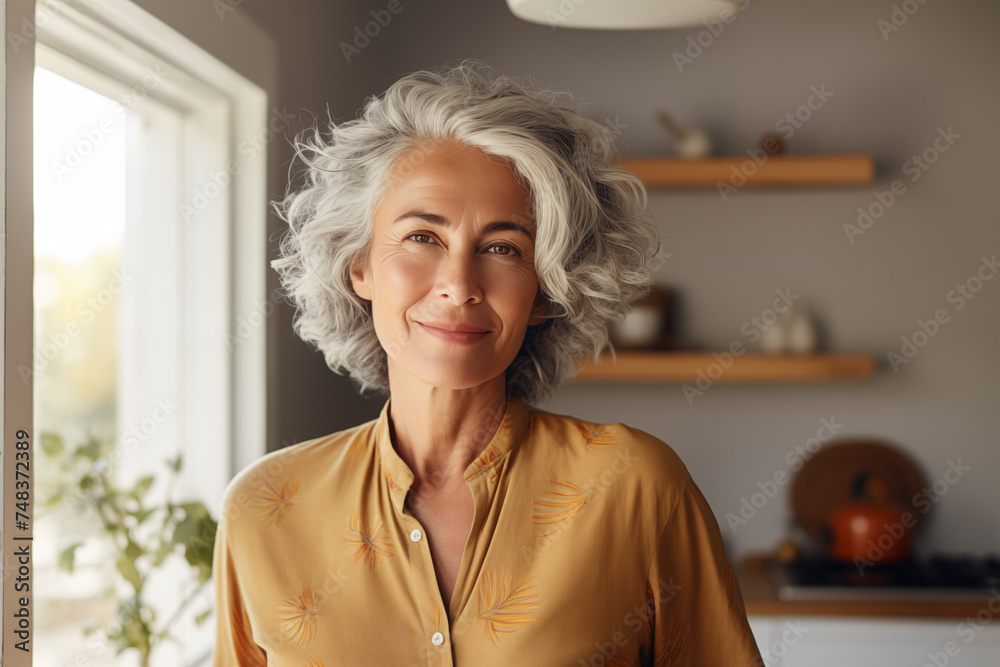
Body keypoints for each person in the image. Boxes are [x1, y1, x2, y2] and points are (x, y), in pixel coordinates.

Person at [211, 58, 764, 666]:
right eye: (423, 237)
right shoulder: (264, 509)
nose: (458, 284)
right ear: (359, 266)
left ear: (545, 292)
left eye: (503, 248)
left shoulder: (638, 488)